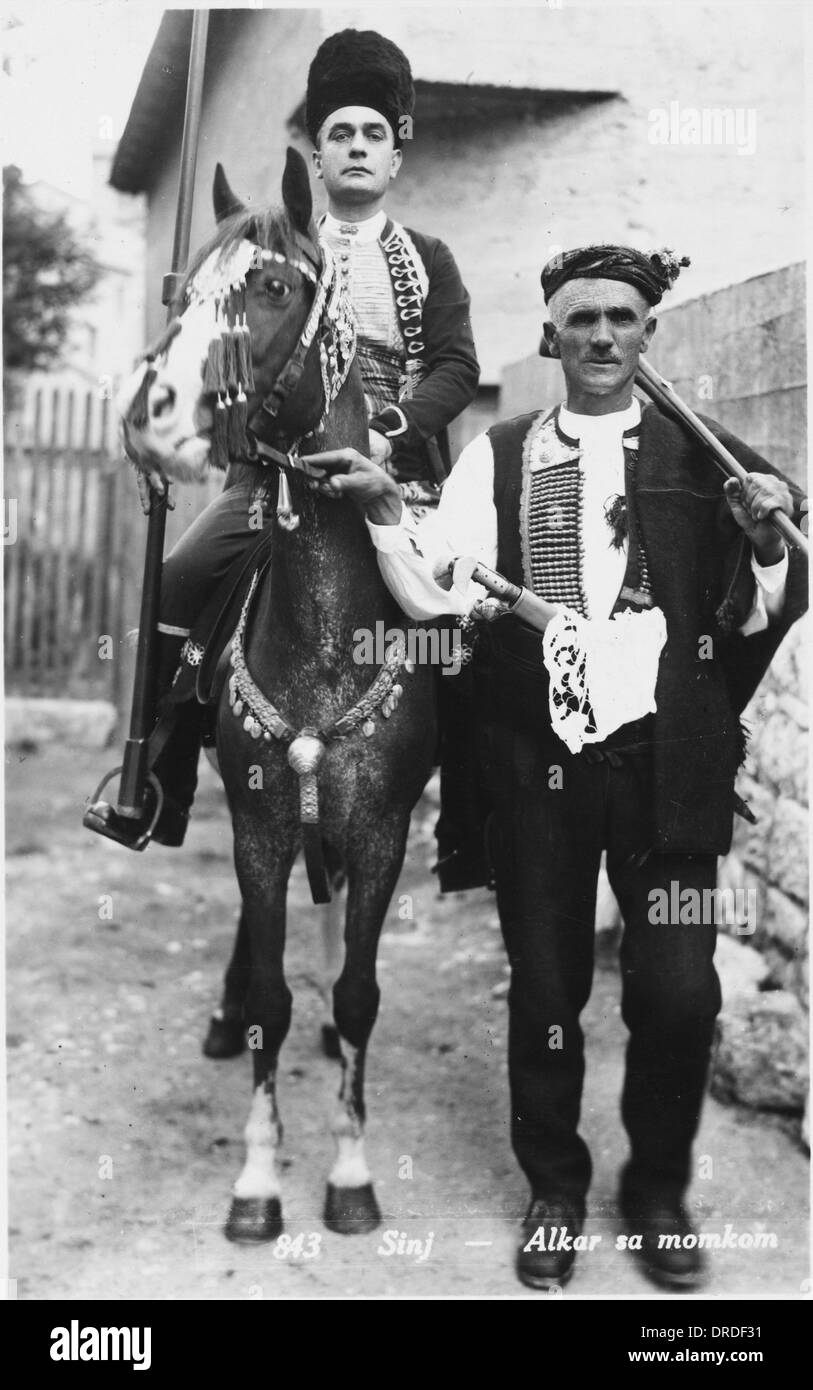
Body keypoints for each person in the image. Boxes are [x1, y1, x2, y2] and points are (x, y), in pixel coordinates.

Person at [294, 244, 808, 1291]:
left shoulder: (706, 457)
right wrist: (388, 508)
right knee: (545, 988)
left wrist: (764, 542)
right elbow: (439, 586)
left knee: (680, 994)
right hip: (538, 763)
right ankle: (555, 1190)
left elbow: (766, 602)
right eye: (582, 319)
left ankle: (656, 1191)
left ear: (649, 334)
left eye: (622, 317)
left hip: (669, 764)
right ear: (550, 336)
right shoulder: (500, 453)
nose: (603, 335)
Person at [84, 28, 479, 851]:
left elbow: (455, 366)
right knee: (179, 578)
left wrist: (389, 436)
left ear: (396, 153)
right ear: (317, 155)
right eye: (340, 133)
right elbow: (219, 353)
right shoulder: (269, 253)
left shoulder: (428, 259)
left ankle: (471, 810)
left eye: (374, 133)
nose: (358, 147)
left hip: (399, 483)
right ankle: (157, 781)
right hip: (274, 481)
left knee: (468, 619)